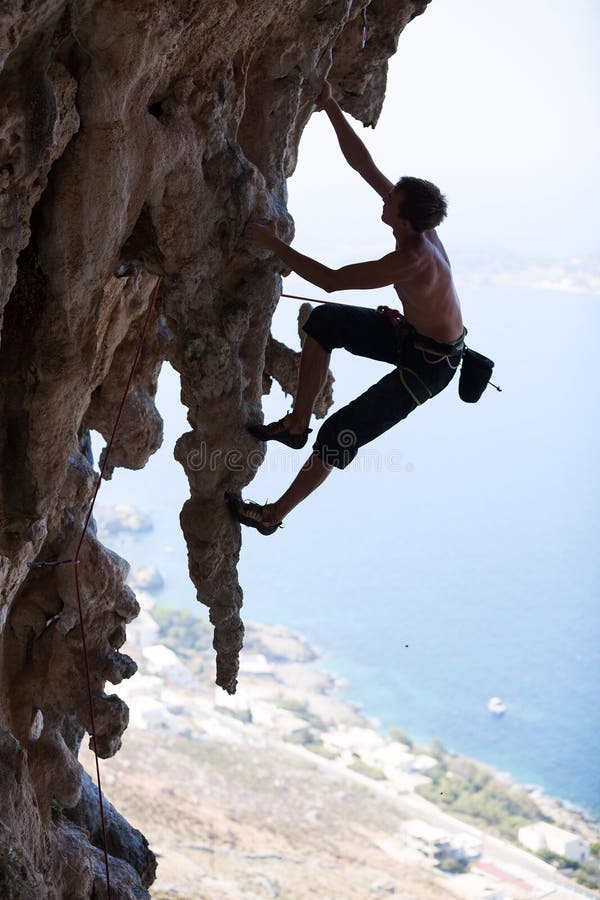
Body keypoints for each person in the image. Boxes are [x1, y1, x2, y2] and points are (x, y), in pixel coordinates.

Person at [231, 80, 465, 535]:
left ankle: (272, 515)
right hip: (417, 338)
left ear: (404, 219)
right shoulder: (418, 227)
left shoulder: (410, 258)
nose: (386, 196)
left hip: (431, 366)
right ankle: (296, 425)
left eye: (391, 200)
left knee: (338, 434)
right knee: (324, 323)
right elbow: (365, 165)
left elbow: (332, 281)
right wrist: (330, 105)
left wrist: (272, 243)